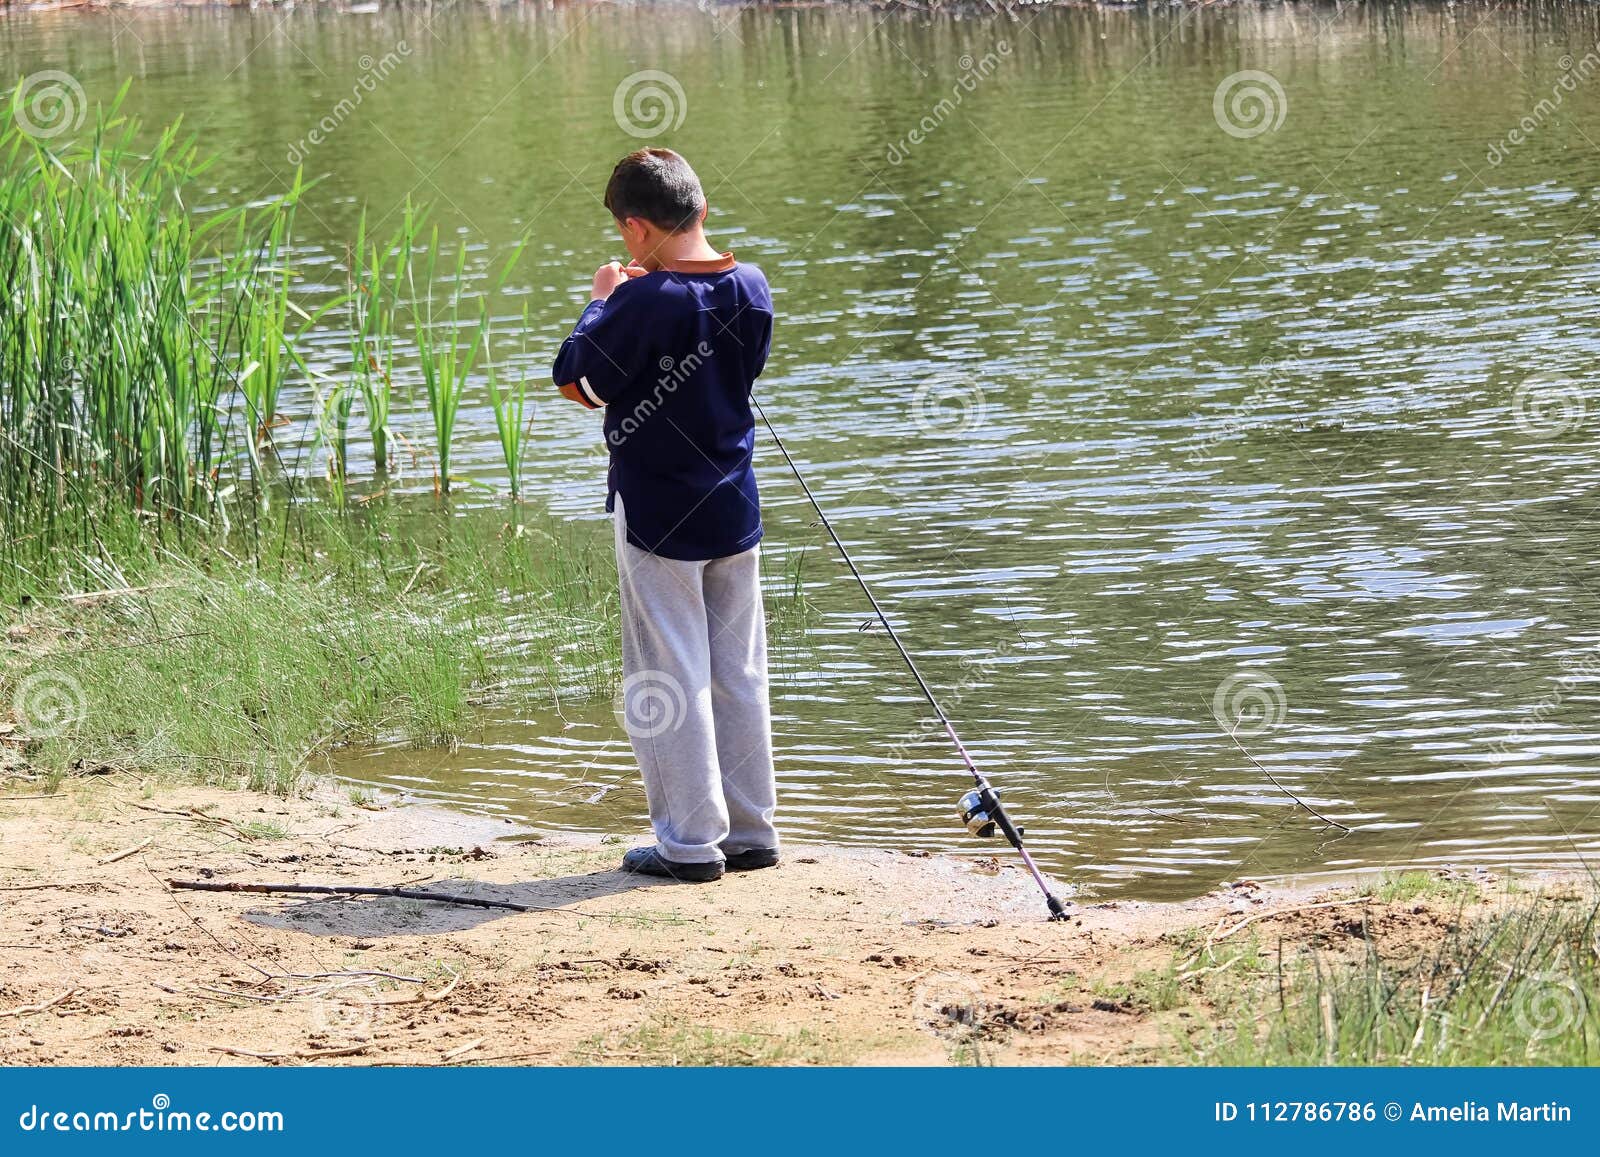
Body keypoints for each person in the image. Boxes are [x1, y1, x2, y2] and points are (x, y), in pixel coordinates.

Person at [551, 147, 779, 883]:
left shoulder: (642, 302)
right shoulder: (751, 285)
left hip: (659, 514)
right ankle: (752, 830)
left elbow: (577, 378)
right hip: (734, 506)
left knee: (669, 673)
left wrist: (603, 300)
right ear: (704, 212)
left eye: (625, 231)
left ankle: (687, 843)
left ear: (639, 228)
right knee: (737, 668)